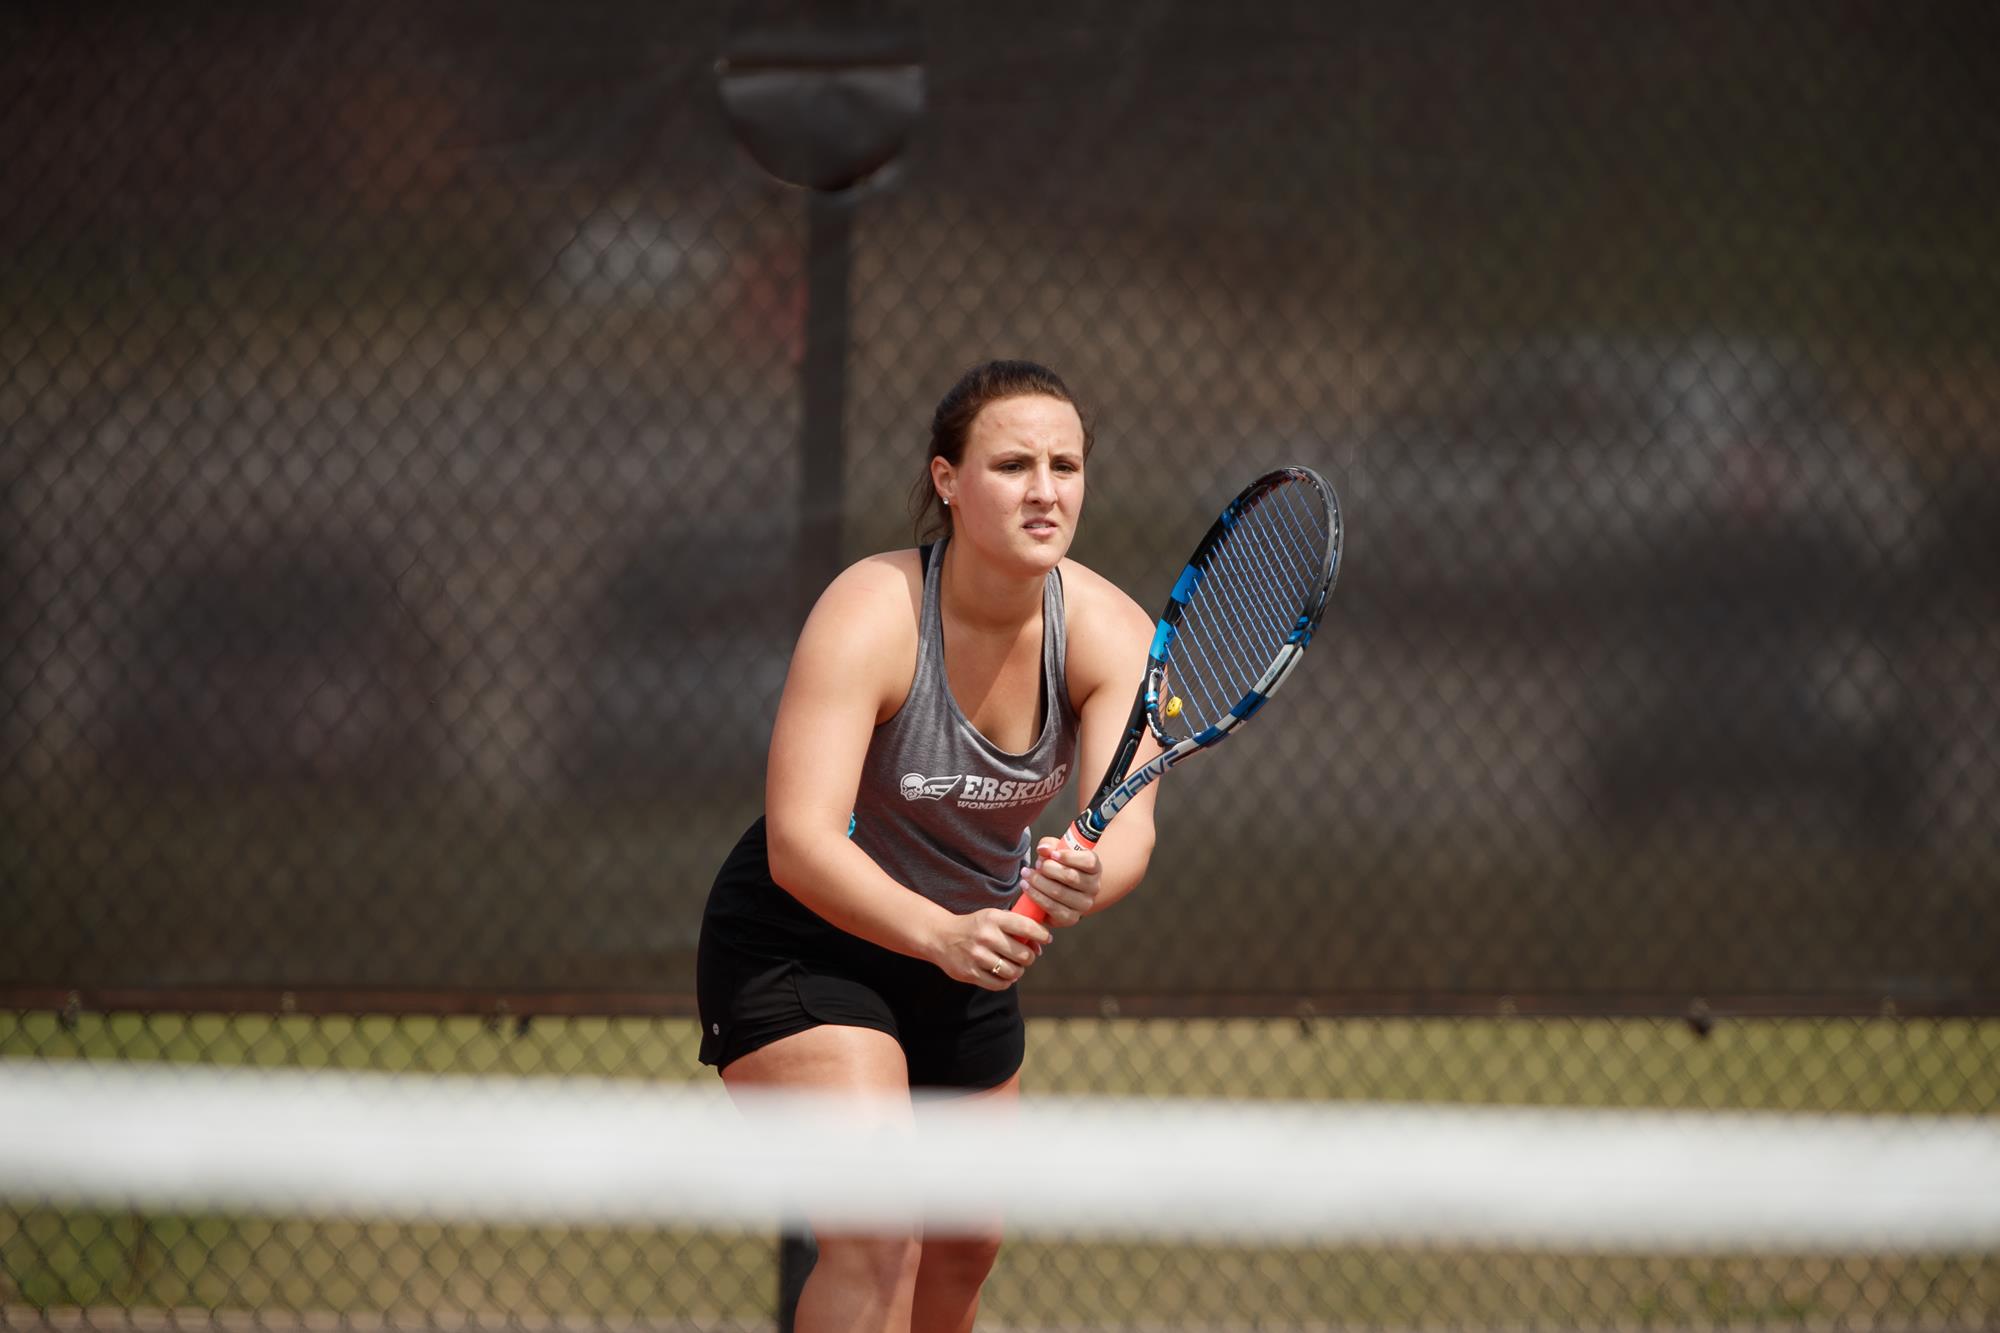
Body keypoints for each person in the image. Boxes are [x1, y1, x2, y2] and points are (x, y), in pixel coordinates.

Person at [695, 359, 1160, 1333]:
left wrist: (1084, 879)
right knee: (879, 1233)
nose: (1045, 489)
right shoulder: (871, 609)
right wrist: (939, 933)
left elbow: (1126, 838)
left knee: (962, 1243)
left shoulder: (1112, 633)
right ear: (947, 480)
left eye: (1065, 464)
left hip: (966, 962)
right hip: (803, 941)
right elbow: (799, 842)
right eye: (1012, 464)